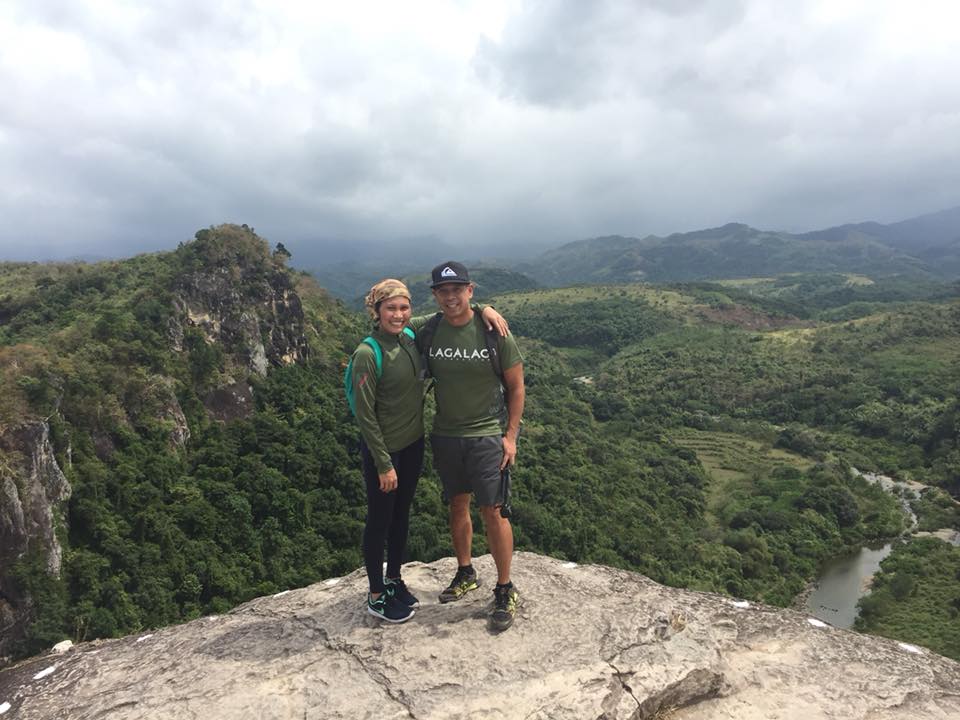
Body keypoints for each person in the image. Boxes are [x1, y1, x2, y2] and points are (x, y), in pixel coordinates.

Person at [350, 278, 507, 623]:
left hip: (413, 444)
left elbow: (453, 310)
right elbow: (363, 414)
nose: (399, 314)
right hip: (385, 453)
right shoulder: (367, 353)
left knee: (401, 516)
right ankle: (376, 593)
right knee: (379, 520)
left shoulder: (409, 336)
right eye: (390, 308)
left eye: (404, 307)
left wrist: (484, 309)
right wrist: (382, 463)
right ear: (376, 312)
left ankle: (394, 579)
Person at [410, 261, 525, 632]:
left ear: (470, 290)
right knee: (457, 503)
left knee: (494, 510)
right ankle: (465, 572)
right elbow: (389, 327)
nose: (451, 296)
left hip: (488, 434)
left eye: (458, 289)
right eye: (444, 291)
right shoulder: (428, 330)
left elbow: (517, 387)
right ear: (435, 295)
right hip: (446, 433)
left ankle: (505, 587)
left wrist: (510, 437)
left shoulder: (494, 331)